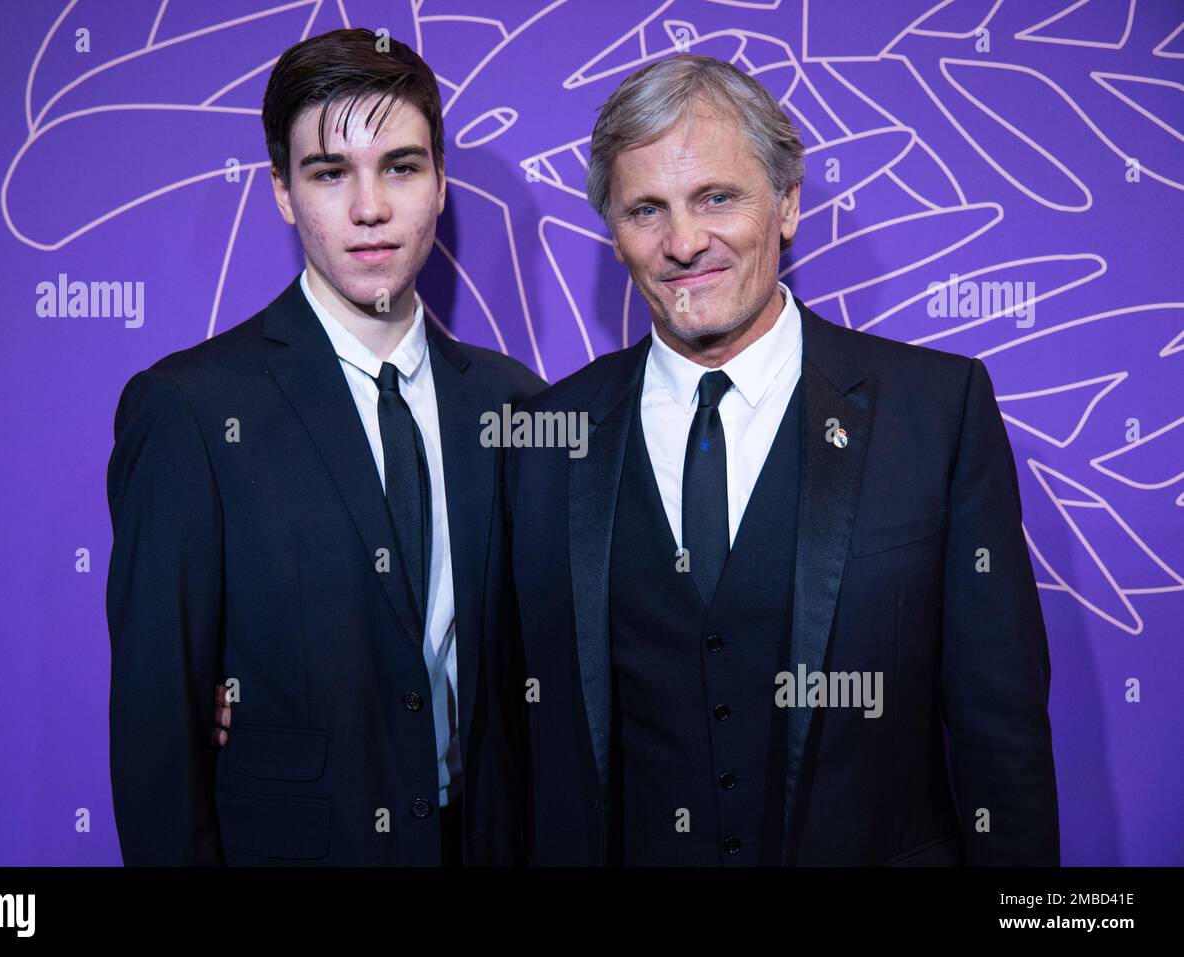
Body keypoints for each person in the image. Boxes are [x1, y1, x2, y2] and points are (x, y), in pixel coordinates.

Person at [504, 54, 1060, 866]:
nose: (684, 241)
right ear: (614, 234)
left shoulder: (937, 412)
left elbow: (1000, 732)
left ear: (788, 203)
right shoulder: (547, 437)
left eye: (717, 197)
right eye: (646, 210)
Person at [106, 27, 543, 866]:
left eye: (401, 167)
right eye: (330, 172)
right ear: (281, 190)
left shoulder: (512, 402)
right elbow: (158, 735)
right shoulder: (190, 410)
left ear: (441, 184)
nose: (369, 207)